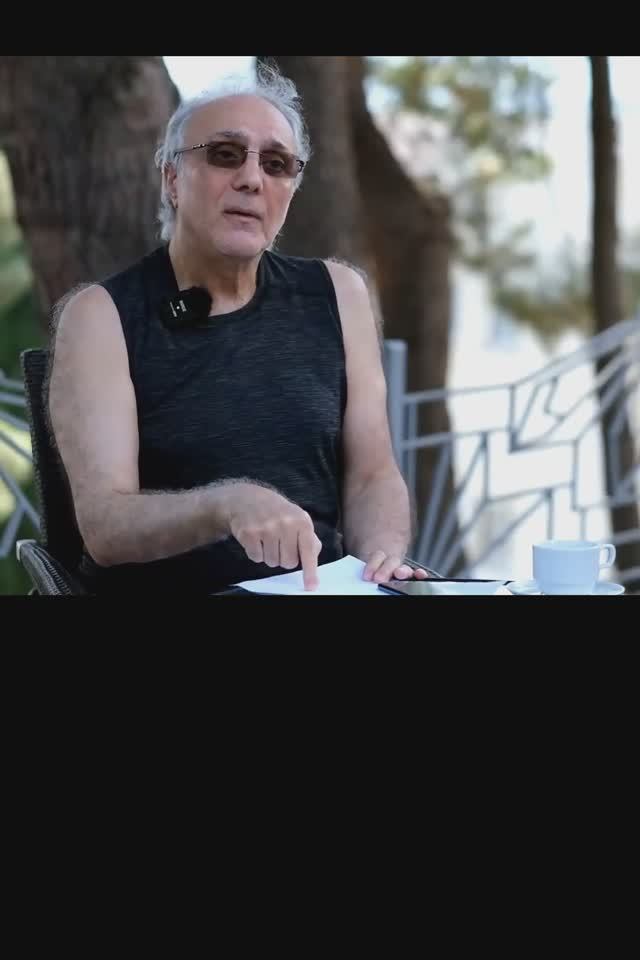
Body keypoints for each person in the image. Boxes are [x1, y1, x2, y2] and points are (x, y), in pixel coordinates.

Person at [47, 63, 430, 594]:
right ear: (172, 179)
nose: (252, 179)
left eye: (276, 164)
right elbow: (105, 528)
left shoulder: (340, 293)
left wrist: (381, 564)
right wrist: (226, 506)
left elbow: (372, 475)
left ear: (290, 191)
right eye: (226, 154)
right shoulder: (100, 315)